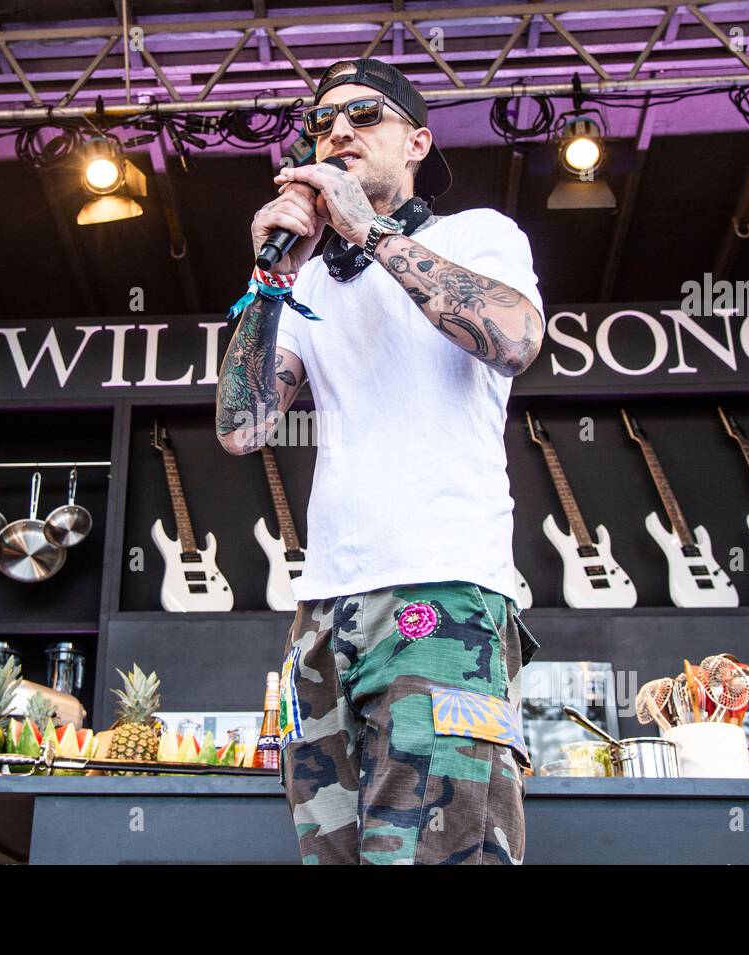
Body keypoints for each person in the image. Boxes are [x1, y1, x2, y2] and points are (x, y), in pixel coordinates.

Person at [216, 57, 544, 865]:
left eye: (364, 115)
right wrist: (268, 281)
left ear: (418, 141)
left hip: (440, 585)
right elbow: (241, 426)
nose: (337, 131)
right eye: (322, 122)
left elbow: (514, 337)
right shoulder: (307, 288)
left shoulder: (477, 235)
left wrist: (368, 229)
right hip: (323, 611)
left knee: (442, 852)